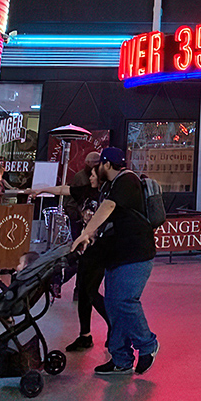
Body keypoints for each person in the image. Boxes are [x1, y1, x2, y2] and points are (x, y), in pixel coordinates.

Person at [71, 147, 158, 376]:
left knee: (124, 302)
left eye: (98, 165)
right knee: (112, 305)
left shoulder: (126, 180)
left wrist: (86, 232)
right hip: (117, 254)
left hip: (135, 253)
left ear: (107, 165)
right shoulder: (108, 186)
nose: (95, 170)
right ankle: (120, 358)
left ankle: (147, 344)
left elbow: (109, 207)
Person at [30, 164, 109, 352]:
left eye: (92, 175)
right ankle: (85, 335)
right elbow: (64, 189)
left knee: (89, 291)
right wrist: (42, 188)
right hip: (84, 249)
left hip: (99, 250)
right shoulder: (86, 191)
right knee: (84, 291)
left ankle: (113, 326)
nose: (89, 178)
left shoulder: (107, 196)